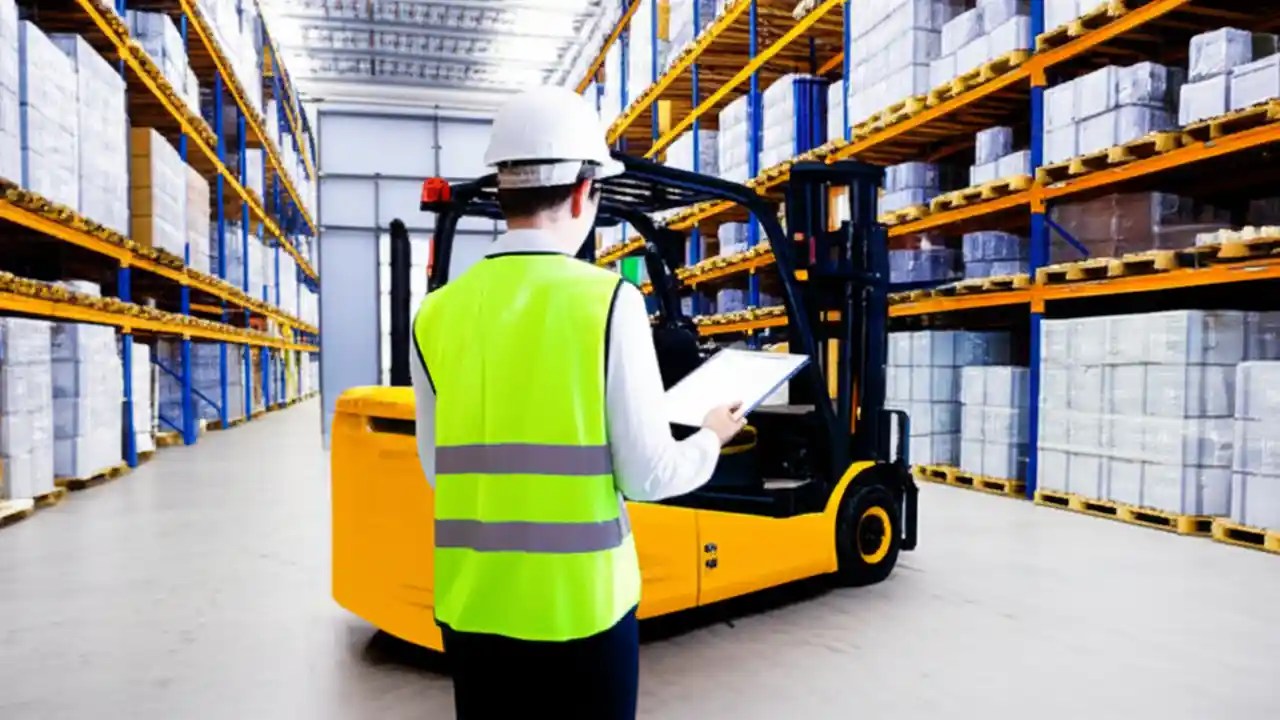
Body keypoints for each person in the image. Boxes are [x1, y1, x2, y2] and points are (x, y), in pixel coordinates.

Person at [409, 84, 746, 720]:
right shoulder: (608, 301)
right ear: (586, 191)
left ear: (501, 190)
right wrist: (710, 437)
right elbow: (648, 475)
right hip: (582, 612)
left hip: (473, 607)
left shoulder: (435, 313)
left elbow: (438, 468)